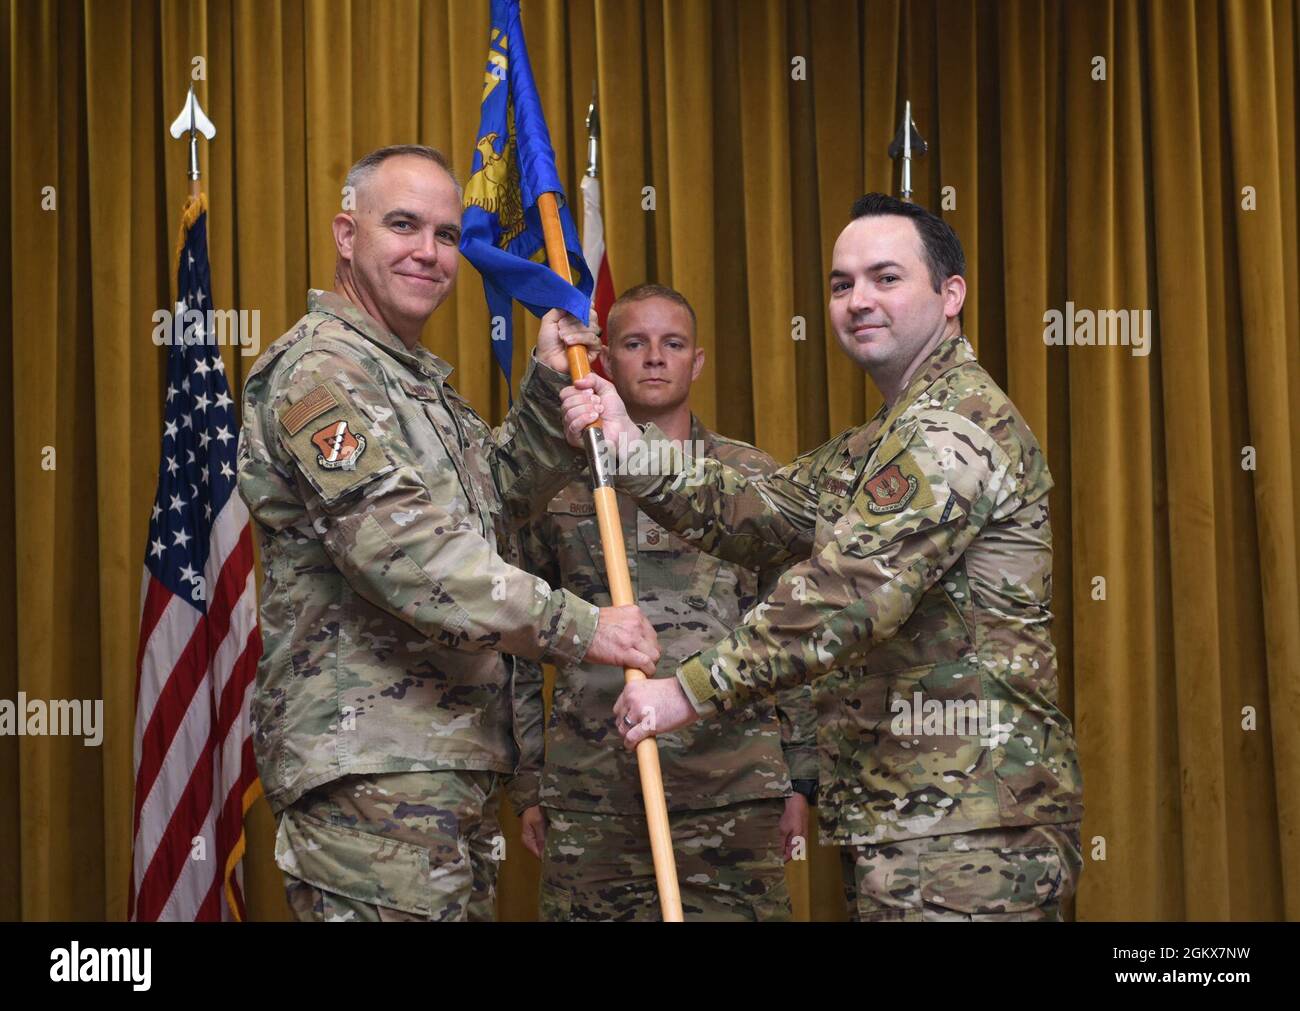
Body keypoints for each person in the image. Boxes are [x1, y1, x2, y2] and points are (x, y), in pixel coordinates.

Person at [561, 193, 1085, 922]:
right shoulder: (878, 442)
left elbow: (850, 592)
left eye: (885, 277)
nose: (858, 300)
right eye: (842, 285)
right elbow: (764, 511)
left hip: (971, 831)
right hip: (909, 819)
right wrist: (632, 446)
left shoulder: (953, 427)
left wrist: (682, 691)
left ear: (951, 294)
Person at [236, 144, 659, 922]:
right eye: (403, 226)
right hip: (373, 773)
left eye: (447, 235)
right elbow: (408, 555)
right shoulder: (321, 373)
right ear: (345, 232)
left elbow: (487, 508)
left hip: (444, 765)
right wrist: (585, 627)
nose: (429, 253)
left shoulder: (410, 378)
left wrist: (542, 393)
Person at [510, 284, 818, 921]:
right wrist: (527, 781)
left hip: (732, 788)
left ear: (696, 362)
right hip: (594, 789)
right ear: (605, 362)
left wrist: (801, 775)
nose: (655, 358)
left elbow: (792, 623)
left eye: (672, 344)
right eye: (634, 343)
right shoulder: (560, 485)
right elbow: (516, 635)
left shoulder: (750, 479)